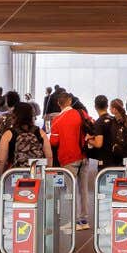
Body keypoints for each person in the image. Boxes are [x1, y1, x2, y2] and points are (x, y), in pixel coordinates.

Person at [48, 90, 90, 227]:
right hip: (84, 155)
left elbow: (54, 142)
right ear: (70, 101)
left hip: (68, 158)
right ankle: (83, 220)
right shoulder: (81, 113)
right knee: (83, 189)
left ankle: (71, 220)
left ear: (58, 104)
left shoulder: (56, 120)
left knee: (70, 190)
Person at [0, 103, 51, 176]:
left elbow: (1, 160)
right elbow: (49, 156)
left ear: (14, 116)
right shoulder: (40, 132)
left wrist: (1, 176)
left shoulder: (8, 134)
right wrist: (47, 172)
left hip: (15, 173)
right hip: (36, 173)